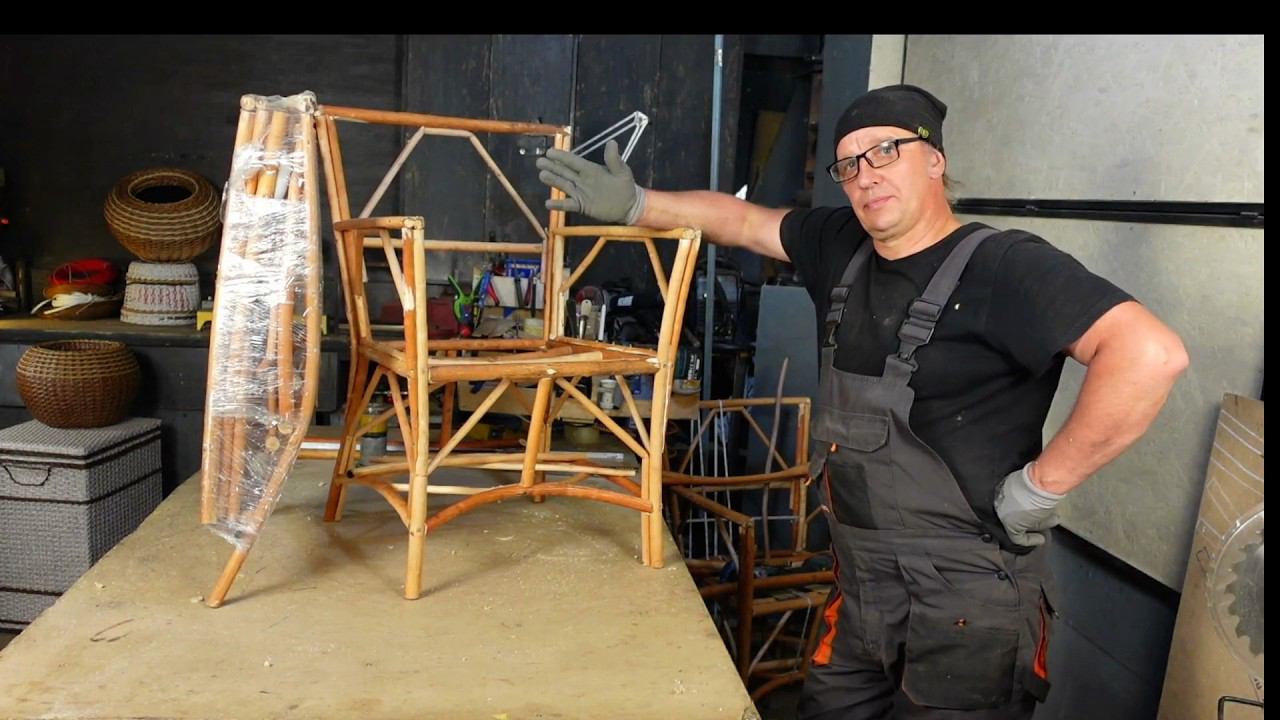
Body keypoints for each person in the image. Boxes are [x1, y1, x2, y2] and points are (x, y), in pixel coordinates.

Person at [536, 84, 1188, 719]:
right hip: (859, 587)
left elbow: (1148, 354)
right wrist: (638, 203)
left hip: (967, 599)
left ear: (934, 160)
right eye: (848, 163)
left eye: (885, 151)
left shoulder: (1005, 265)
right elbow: (742, 222)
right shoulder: (840, 244)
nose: (865, 175)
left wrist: (1043, 487)